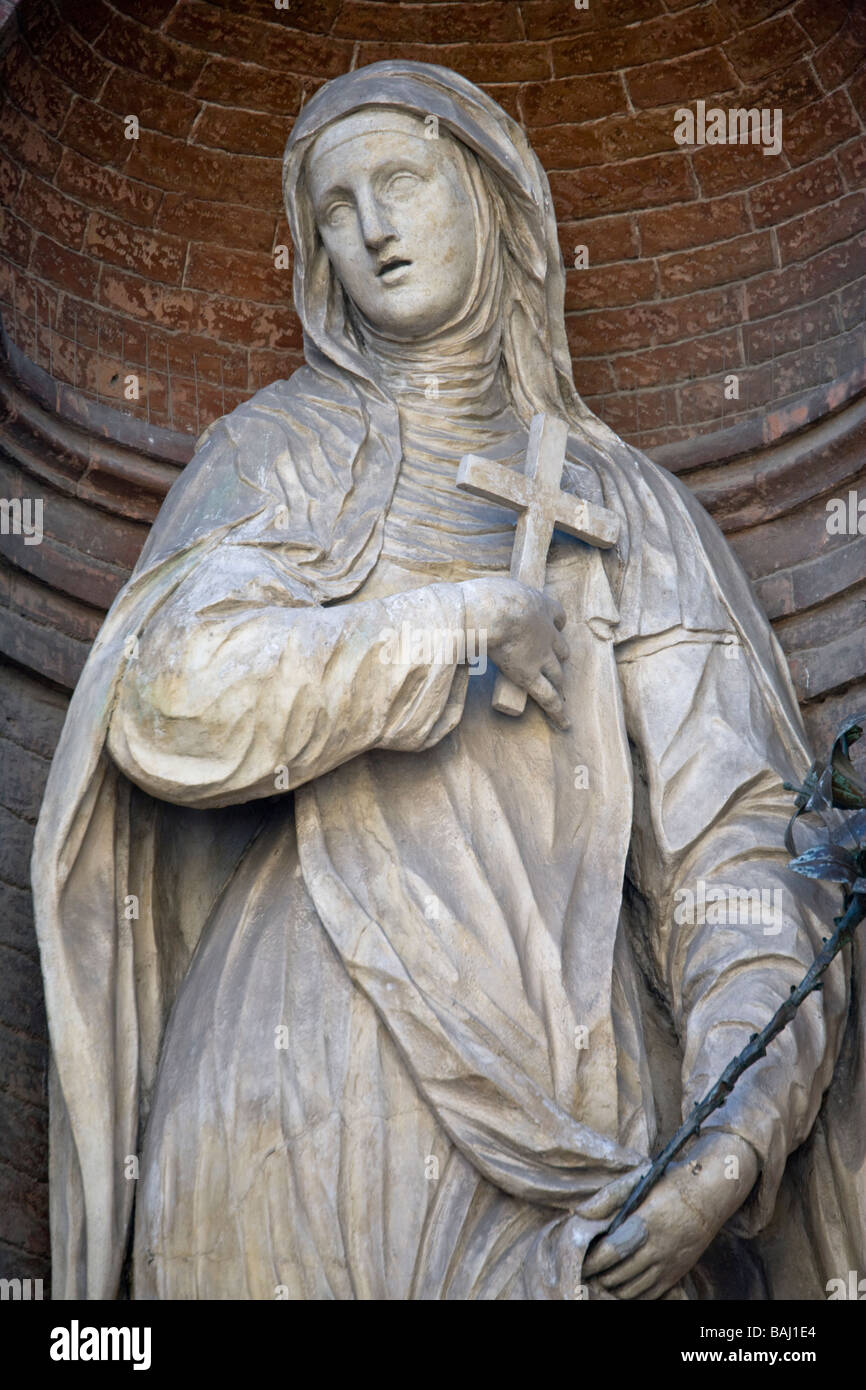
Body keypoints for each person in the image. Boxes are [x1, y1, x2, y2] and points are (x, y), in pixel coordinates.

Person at [33, 62, 863, 1301]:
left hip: (574, 1091)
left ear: (490, 203)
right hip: (294, 1058)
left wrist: (729, 1141)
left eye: (402, 181)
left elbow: (737, 852)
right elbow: (169, 703)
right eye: (332, 206)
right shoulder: (278, 454)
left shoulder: (628, 505)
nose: (369, 227)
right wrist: (454, 623)